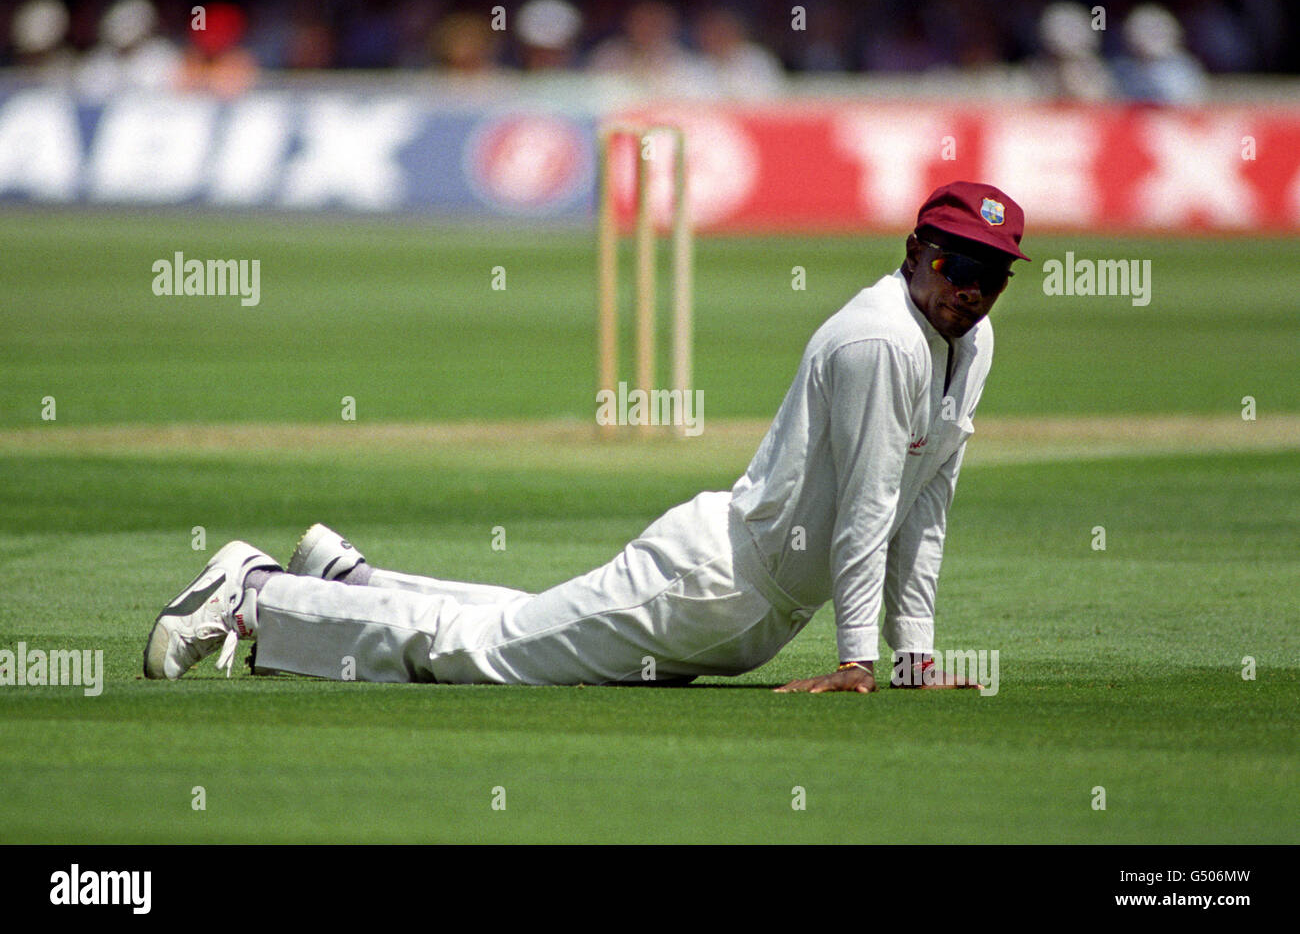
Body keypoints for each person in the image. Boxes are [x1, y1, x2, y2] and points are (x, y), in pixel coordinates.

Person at [144, 181, 1028, 694]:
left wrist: (911, 657)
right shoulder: (880, 338)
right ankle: (255, 596)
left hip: (749, 613)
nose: (971, 288)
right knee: (483, 652)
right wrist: (856, 660)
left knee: (509, 623)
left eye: (990, 274)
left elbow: (926, 500)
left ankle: (346, 579)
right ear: (914, 250)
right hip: (711, 580)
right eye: (955, 264)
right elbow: (870, 506)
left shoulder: (970, 342)